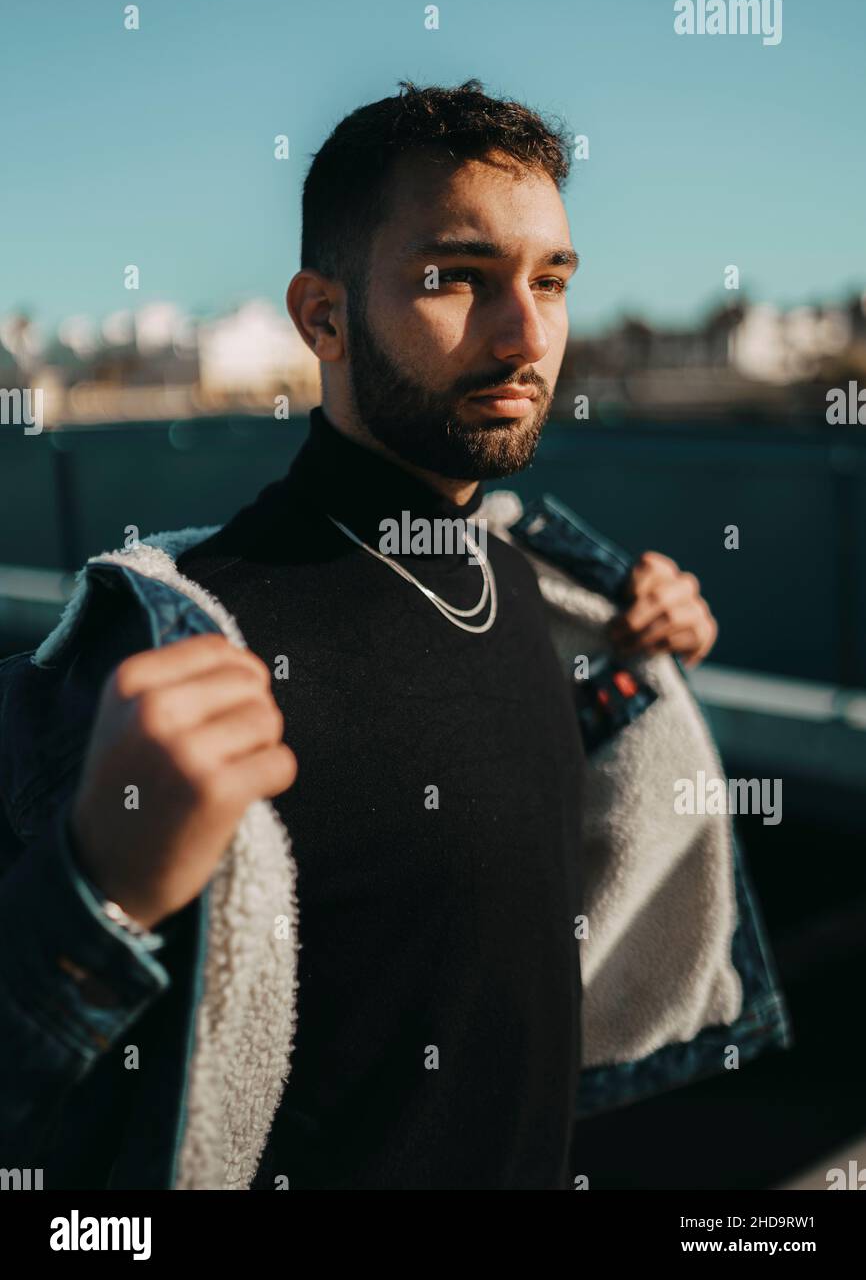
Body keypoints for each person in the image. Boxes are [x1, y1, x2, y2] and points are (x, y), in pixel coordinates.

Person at [0, 80, 789, 1191]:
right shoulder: (167, 651)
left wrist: (637, 660)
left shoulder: (538, 590)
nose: (526, 334)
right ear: (321, 317)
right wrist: (98, 894)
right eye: (455, 280)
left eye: (550, 280)